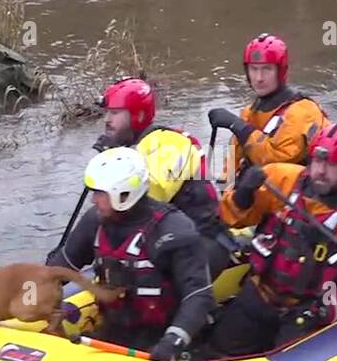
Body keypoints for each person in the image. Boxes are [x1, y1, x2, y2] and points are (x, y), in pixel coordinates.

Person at [205, 122, 337, 358]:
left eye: (332, 164)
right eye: (318, 160)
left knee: (287, 360)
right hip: (260, 294)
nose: (321, 171)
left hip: (309, 312)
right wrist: (243, 193)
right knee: (216, 349)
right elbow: (231, 218)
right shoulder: (279, 178)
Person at [45, 147, 215, 361]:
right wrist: (20, 296)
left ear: (123, 194)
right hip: (114, 333)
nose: (94, 200)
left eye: (100, 193)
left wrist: (173, 340)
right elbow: (57, 270)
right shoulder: (94, 221)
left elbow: (198, 294)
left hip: (161, 341)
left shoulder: (173, 230)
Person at [91, 77, 233, 274]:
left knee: (100, 214)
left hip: (201, 241)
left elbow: (140, 201)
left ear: (138, 116)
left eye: (115, 113)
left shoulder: (168, 144)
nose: (107, 120)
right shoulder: (136, 148)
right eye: (107, 113)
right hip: (168, 236)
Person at [207, 33, 328, 182]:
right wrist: (224, 188)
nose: (259, 78)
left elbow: (276, 161)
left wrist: (238, 127)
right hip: (258, 192)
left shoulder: (302, 111)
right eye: (254, 69)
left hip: (296, 193)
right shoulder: (249, 113)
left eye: (267, 69)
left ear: (281, 71)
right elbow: (232, 165)